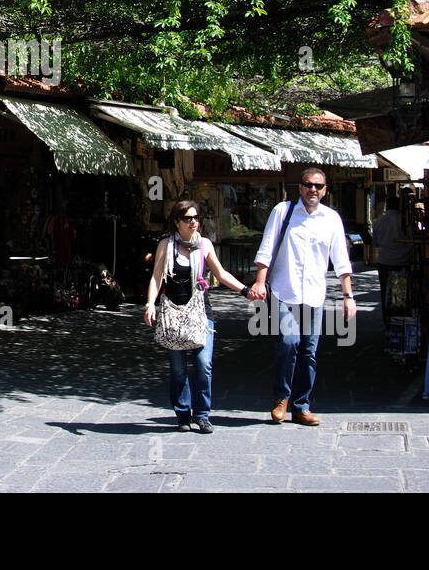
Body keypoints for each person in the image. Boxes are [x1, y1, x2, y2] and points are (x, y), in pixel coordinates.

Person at [250, 168, 355, 426]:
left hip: (315, 295)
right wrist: (260, 282)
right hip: (285, 292)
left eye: (318, 186)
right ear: (300, 187)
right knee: (288, 343)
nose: (313, 190)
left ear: (325, 190)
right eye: (308, 185)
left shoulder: (331, 219)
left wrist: (348, 296)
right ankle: (281, 399)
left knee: (308, 351)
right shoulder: (283, 211)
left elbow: (341, 261)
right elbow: (267, 248)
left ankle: (301, 406)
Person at [144, 199, 253, 433]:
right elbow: (156, 277)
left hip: (201, 311)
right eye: (187, 218)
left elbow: (221, 274)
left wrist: (245, 291)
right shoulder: (166, 245)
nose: (193, 222)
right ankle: (183, 415)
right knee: (178, 369)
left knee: (204, 364)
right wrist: (150, 304)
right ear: (177, 222)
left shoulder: (204, 244)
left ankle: (202, 414)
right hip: (173, 312)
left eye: (195, 218)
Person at [371, 195, 411, 328]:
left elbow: (375, 243)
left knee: (385, 292)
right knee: (399, 293)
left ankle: (386, 321)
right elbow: (411, 242)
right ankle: (398, 321)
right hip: (401, 261)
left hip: (384, 261)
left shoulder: (378, 222)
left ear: (387, 206)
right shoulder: (405, 222)